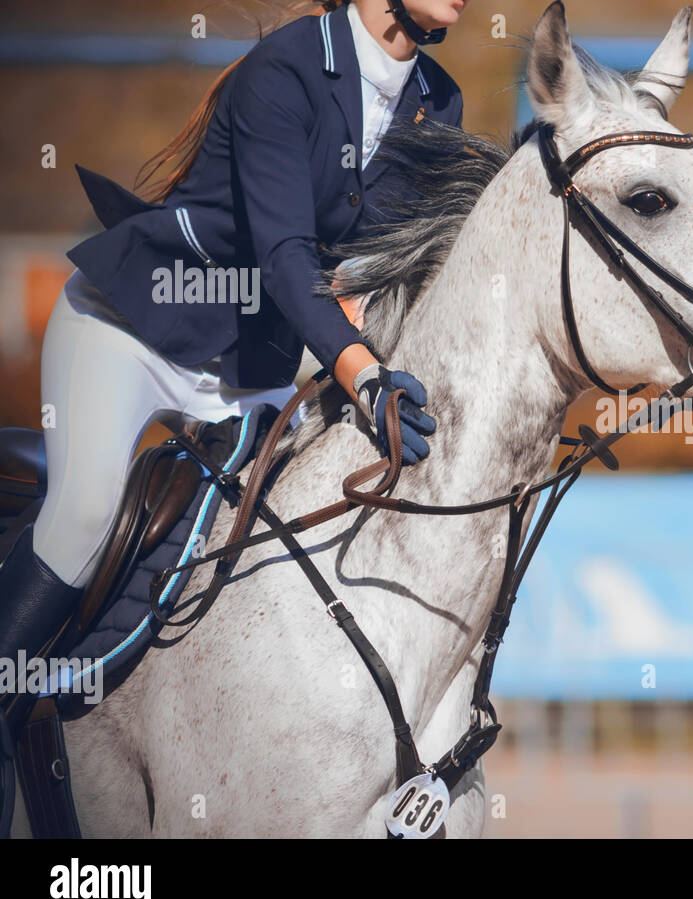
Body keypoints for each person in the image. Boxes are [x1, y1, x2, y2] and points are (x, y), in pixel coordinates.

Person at [0, 0, 468, 669]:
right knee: (83, 514)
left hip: (253, 365)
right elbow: (285, 256)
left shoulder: (439, 100)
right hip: (133, 328)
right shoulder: (285, 67)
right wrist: (365, 375)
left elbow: (407, 261)